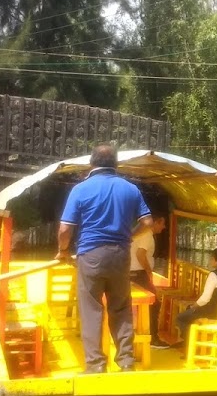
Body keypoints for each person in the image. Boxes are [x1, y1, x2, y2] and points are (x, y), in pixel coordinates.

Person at [57, 144, 153, 374]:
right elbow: (148, 223)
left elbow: (64, 229)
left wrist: (62, 251)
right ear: (115, 164)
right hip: (120, 255)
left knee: (91, 309)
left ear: (92, 163)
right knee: (120, 307)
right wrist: (129, 234)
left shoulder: (80, 189)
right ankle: (126, 362)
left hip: (90, 255)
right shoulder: (130, 189)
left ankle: (95, 366)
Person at [175, 248, 217, 347]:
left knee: (180, 318)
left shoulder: (213, 275)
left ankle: (189, 343)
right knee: (189, 312)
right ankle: (192, 341)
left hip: (212, 312)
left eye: (212, 259)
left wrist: (194, 306)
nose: (210, 261)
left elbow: (205, 298)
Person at [130, 214, 169, 348]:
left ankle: (141, 332)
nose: (163, 228)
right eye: (162, 224)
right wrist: (148, 272)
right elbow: (140, 254)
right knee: (154, 304)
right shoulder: (146, 234)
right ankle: (152, 338)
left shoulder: (137, 231)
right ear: (156, 222)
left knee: (148, 304)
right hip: (139, 274)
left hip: (131, 273)